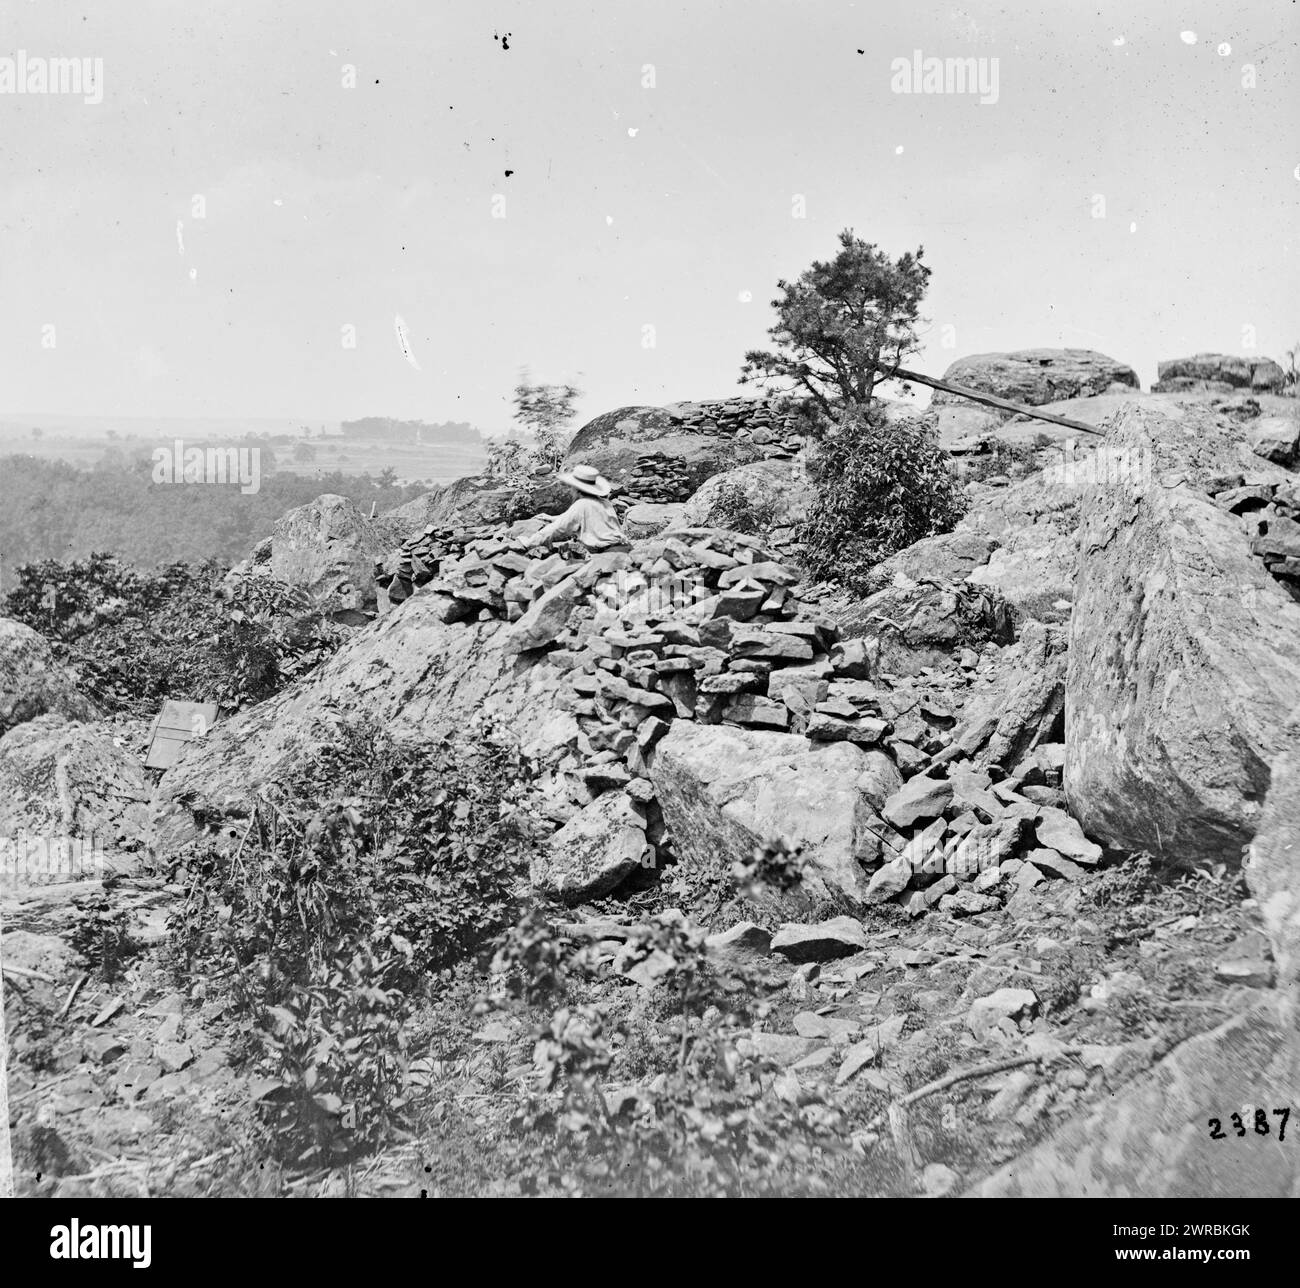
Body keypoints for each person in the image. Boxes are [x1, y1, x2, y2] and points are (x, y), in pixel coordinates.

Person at [528, 464, 629, 556]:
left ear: (577, 489)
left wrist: (530, 541)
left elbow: (558, 528)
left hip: (605, 554)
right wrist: (551, 518)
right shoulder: (604, 502)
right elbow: (583, 518)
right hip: (622, 547)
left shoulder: (582, 504)